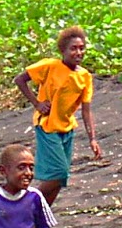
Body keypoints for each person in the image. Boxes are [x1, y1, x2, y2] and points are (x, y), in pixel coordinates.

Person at [14, 26, 102, 205]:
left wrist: (92, 139)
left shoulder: (84, 76)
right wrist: (37, 103)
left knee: (59, 180)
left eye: (81, 48)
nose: (78, 52)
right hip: (47, 126)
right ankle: (25, 205)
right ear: (63, 50)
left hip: (66, 128)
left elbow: (86, 109)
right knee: (60, 172)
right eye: (73, 48)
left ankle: (40, 214)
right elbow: (20, 80)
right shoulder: (50, 66)